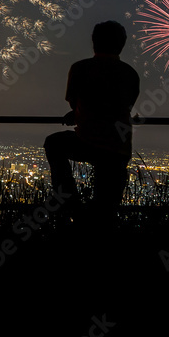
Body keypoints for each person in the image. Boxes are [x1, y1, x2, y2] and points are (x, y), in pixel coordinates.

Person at [44, 21, 140, 221]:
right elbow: (125, 106)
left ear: (94, 42)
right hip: (118, 148)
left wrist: (77, 113)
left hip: (88, 142)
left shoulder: (80, 68)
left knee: (54, 143)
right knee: (105, 212)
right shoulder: (130, 74)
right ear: (121, 44)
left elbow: (75, 102)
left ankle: (69, 203)